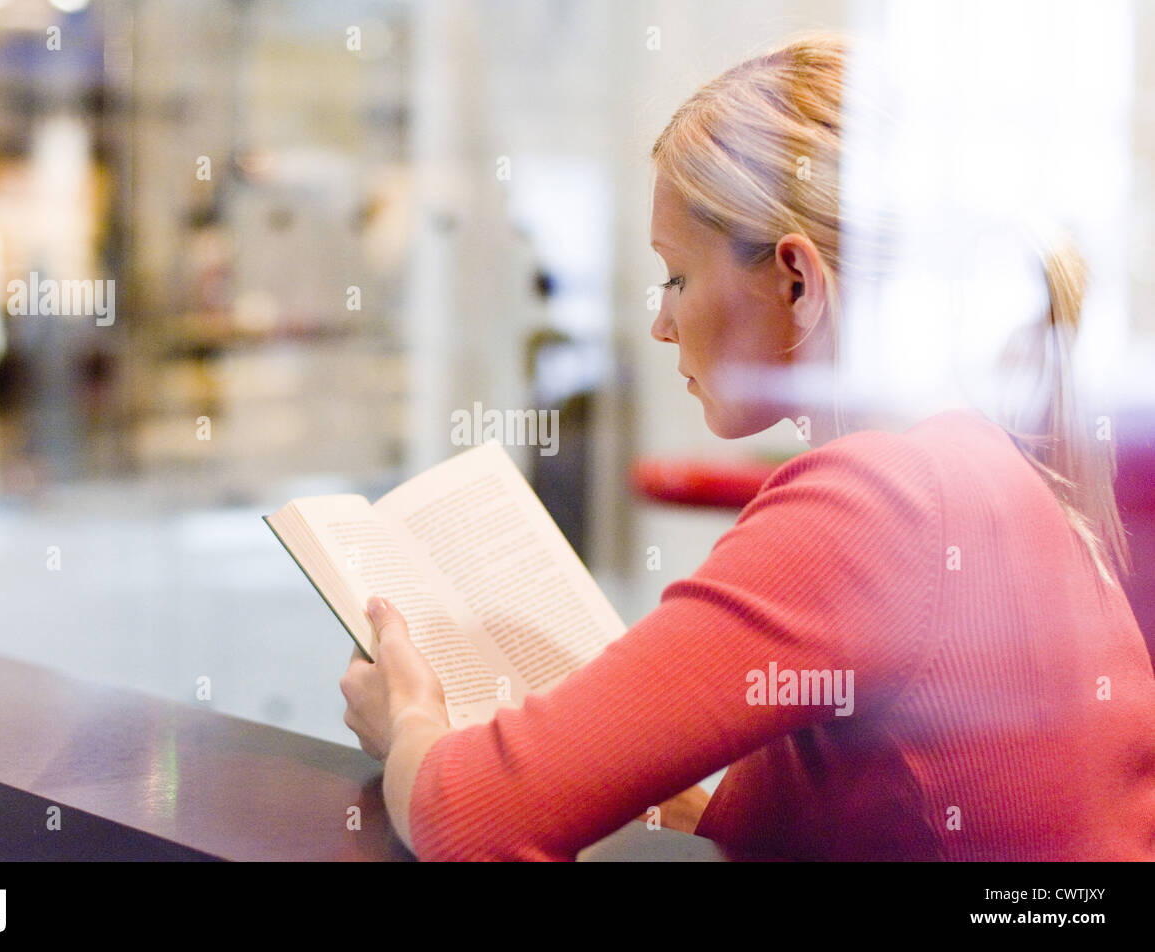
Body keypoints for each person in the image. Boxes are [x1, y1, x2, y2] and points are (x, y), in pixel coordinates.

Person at [339, 31, 1155, 861]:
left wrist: (411, 721)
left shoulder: (875, 501)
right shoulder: (982, 465)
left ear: (795, 282)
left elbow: (470, 819)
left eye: (677, 277)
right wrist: (632, 780)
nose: (661, 322)